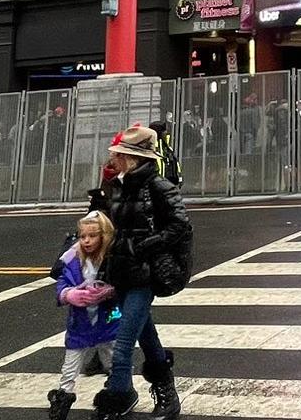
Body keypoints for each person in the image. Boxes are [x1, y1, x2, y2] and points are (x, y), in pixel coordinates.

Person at [92, 124, 191, 420]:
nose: (115, 159)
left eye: (121, 155)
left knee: (123, 345)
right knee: (146, 336)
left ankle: (119, 396)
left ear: (134, 158)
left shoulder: (159, 186)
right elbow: (115, 228)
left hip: (145, 273)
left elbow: (180, 226)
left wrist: (144, 246)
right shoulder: (120, 186)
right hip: (122, 271)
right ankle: (166, 390)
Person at [49, 212, 118, 420]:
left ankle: (114, 400)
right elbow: (62, 282)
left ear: (103, 236)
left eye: (92, 236)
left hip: (107, 321)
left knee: (114, 362)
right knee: (70, 368)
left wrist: (111, 291)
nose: (86, 241)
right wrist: (69, 294)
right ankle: (61, 402)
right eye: (82, 236)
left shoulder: (112, 258)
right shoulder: (72, 259)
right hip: (80, 323)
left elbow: (125, 281)